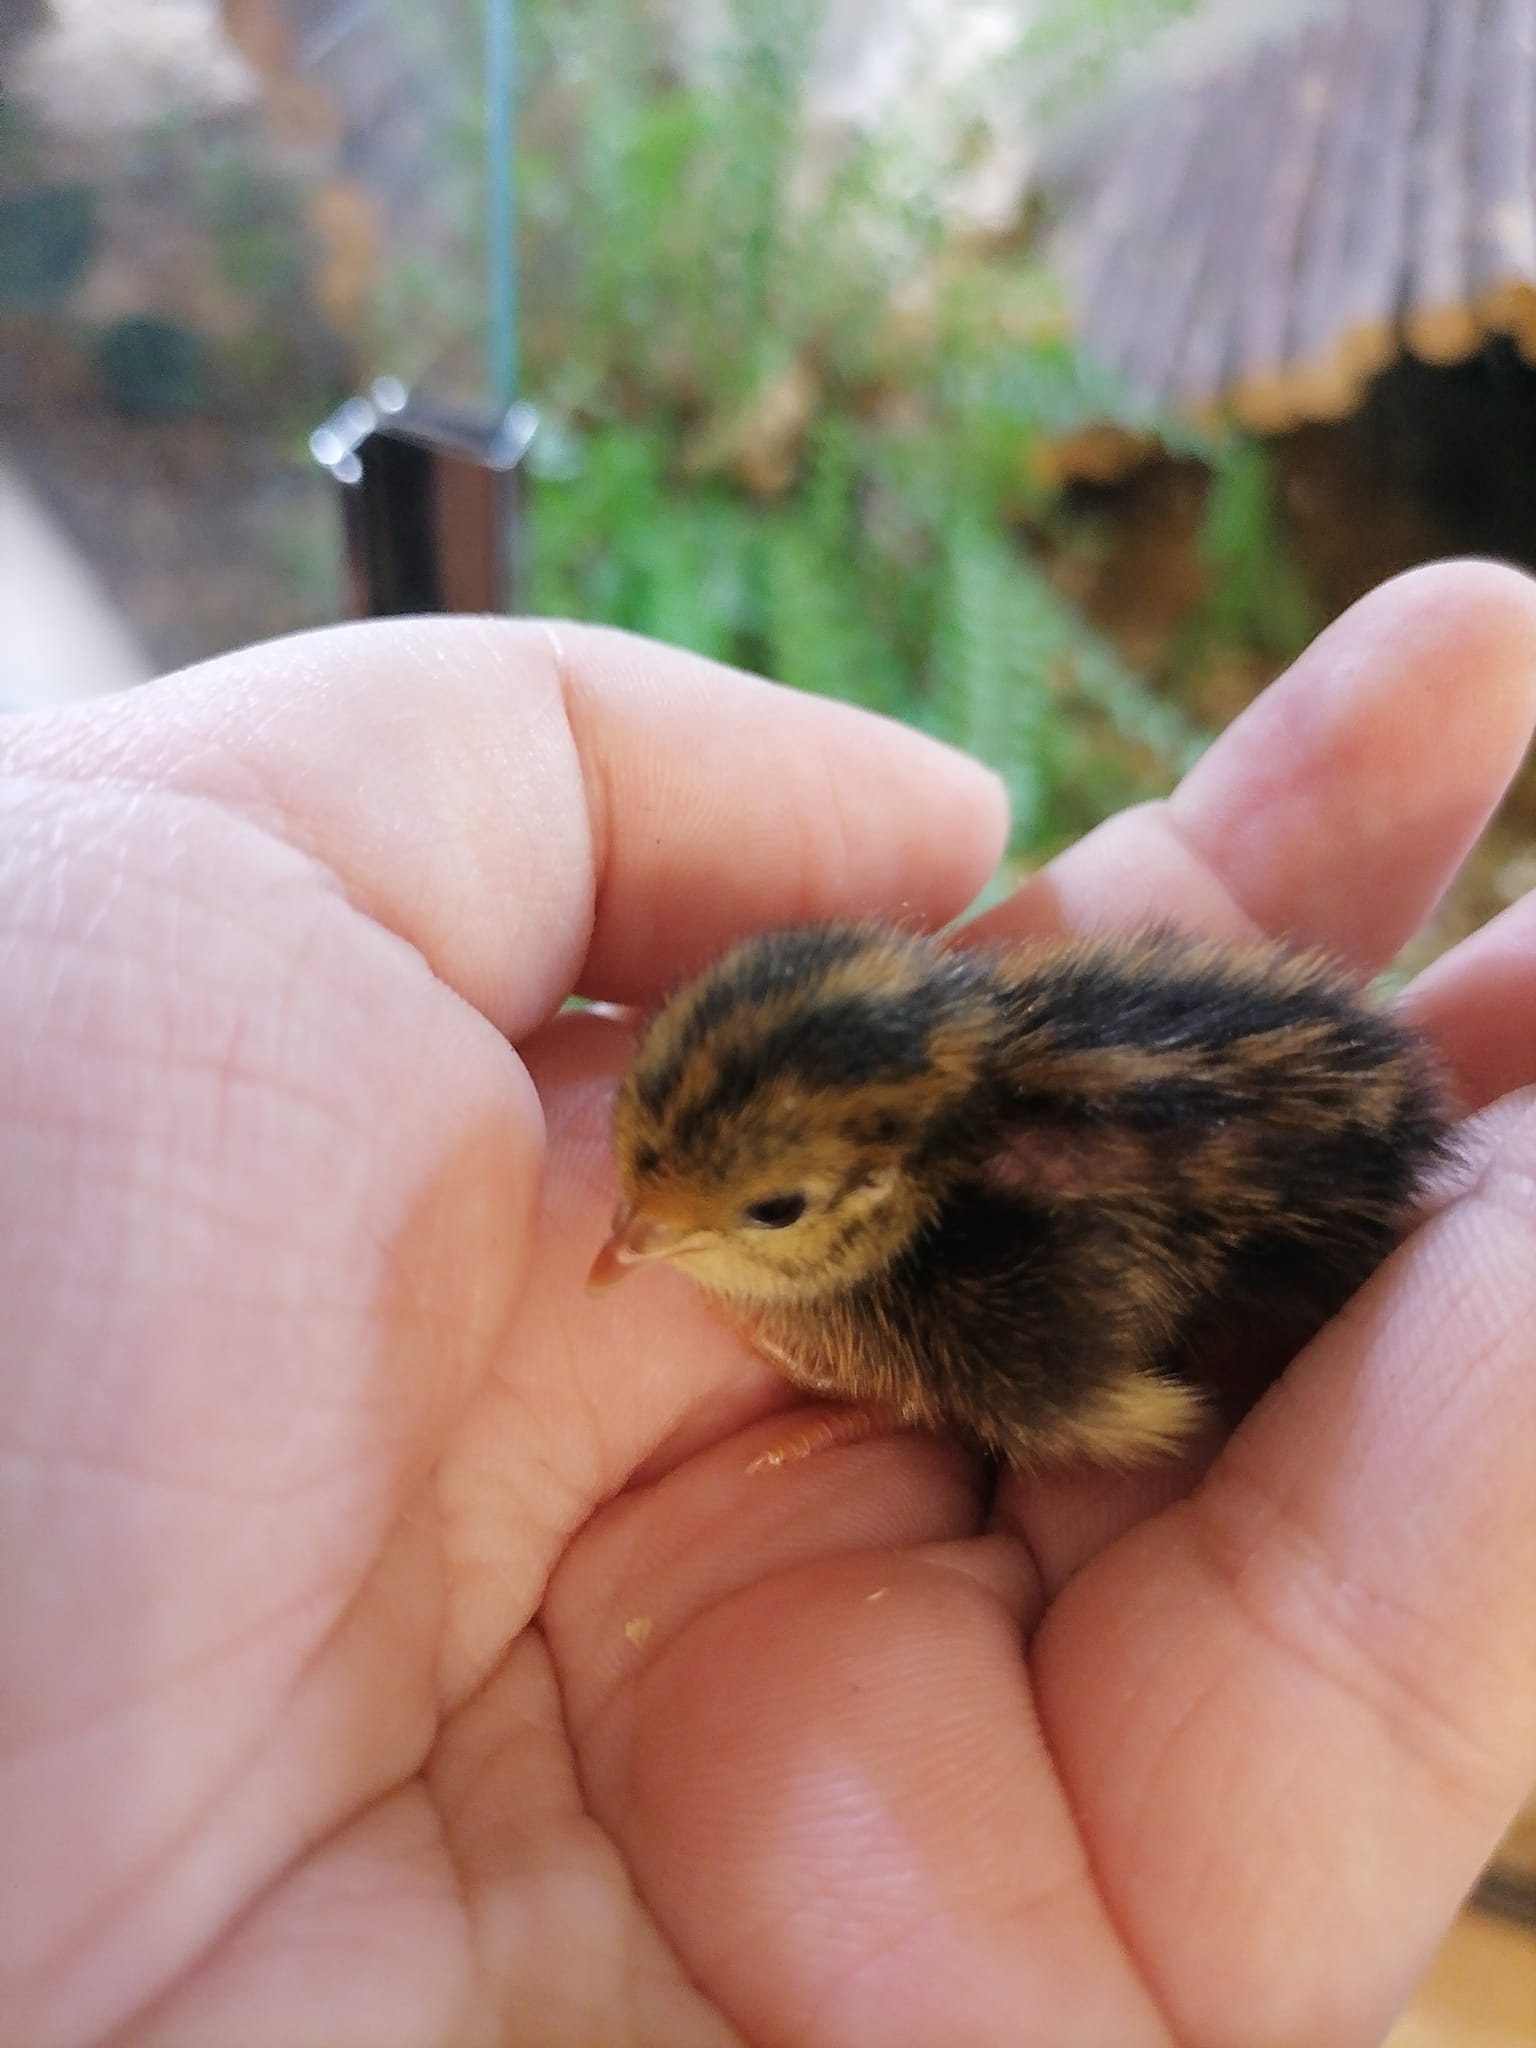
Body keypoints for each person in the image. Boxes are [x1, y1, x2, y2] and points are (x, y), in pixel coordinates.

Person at [1, 561, 1533, 2048]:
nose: (633, 1243)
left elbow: (1104, 1405)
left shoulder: (982, 1284)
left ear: (880, 1196)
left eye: (768, 1215)